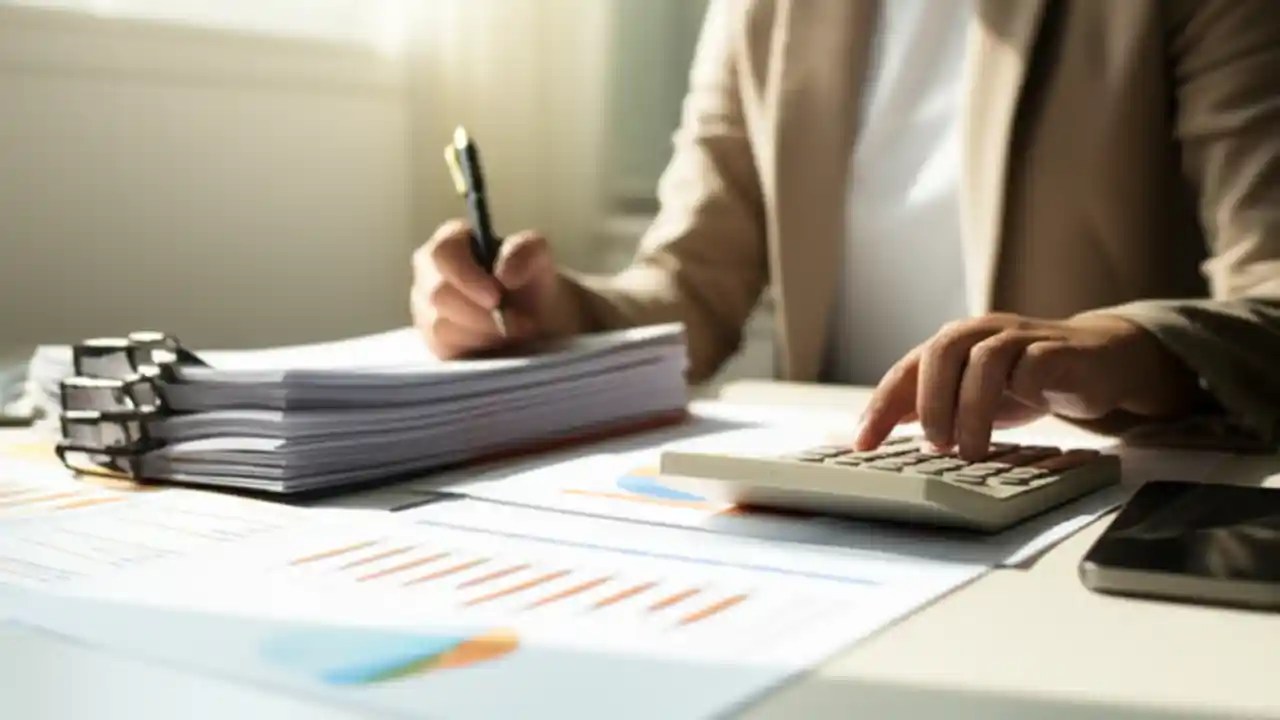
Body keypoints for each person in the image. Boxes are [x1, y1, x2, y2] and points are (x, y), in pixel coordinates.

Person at [411, 0, 1280, 461]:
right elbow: (687, 292)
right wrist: (552, 314)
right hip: (843, 491)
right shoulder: (766, 12)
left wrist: (1123, 345)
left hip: (1091, 500)